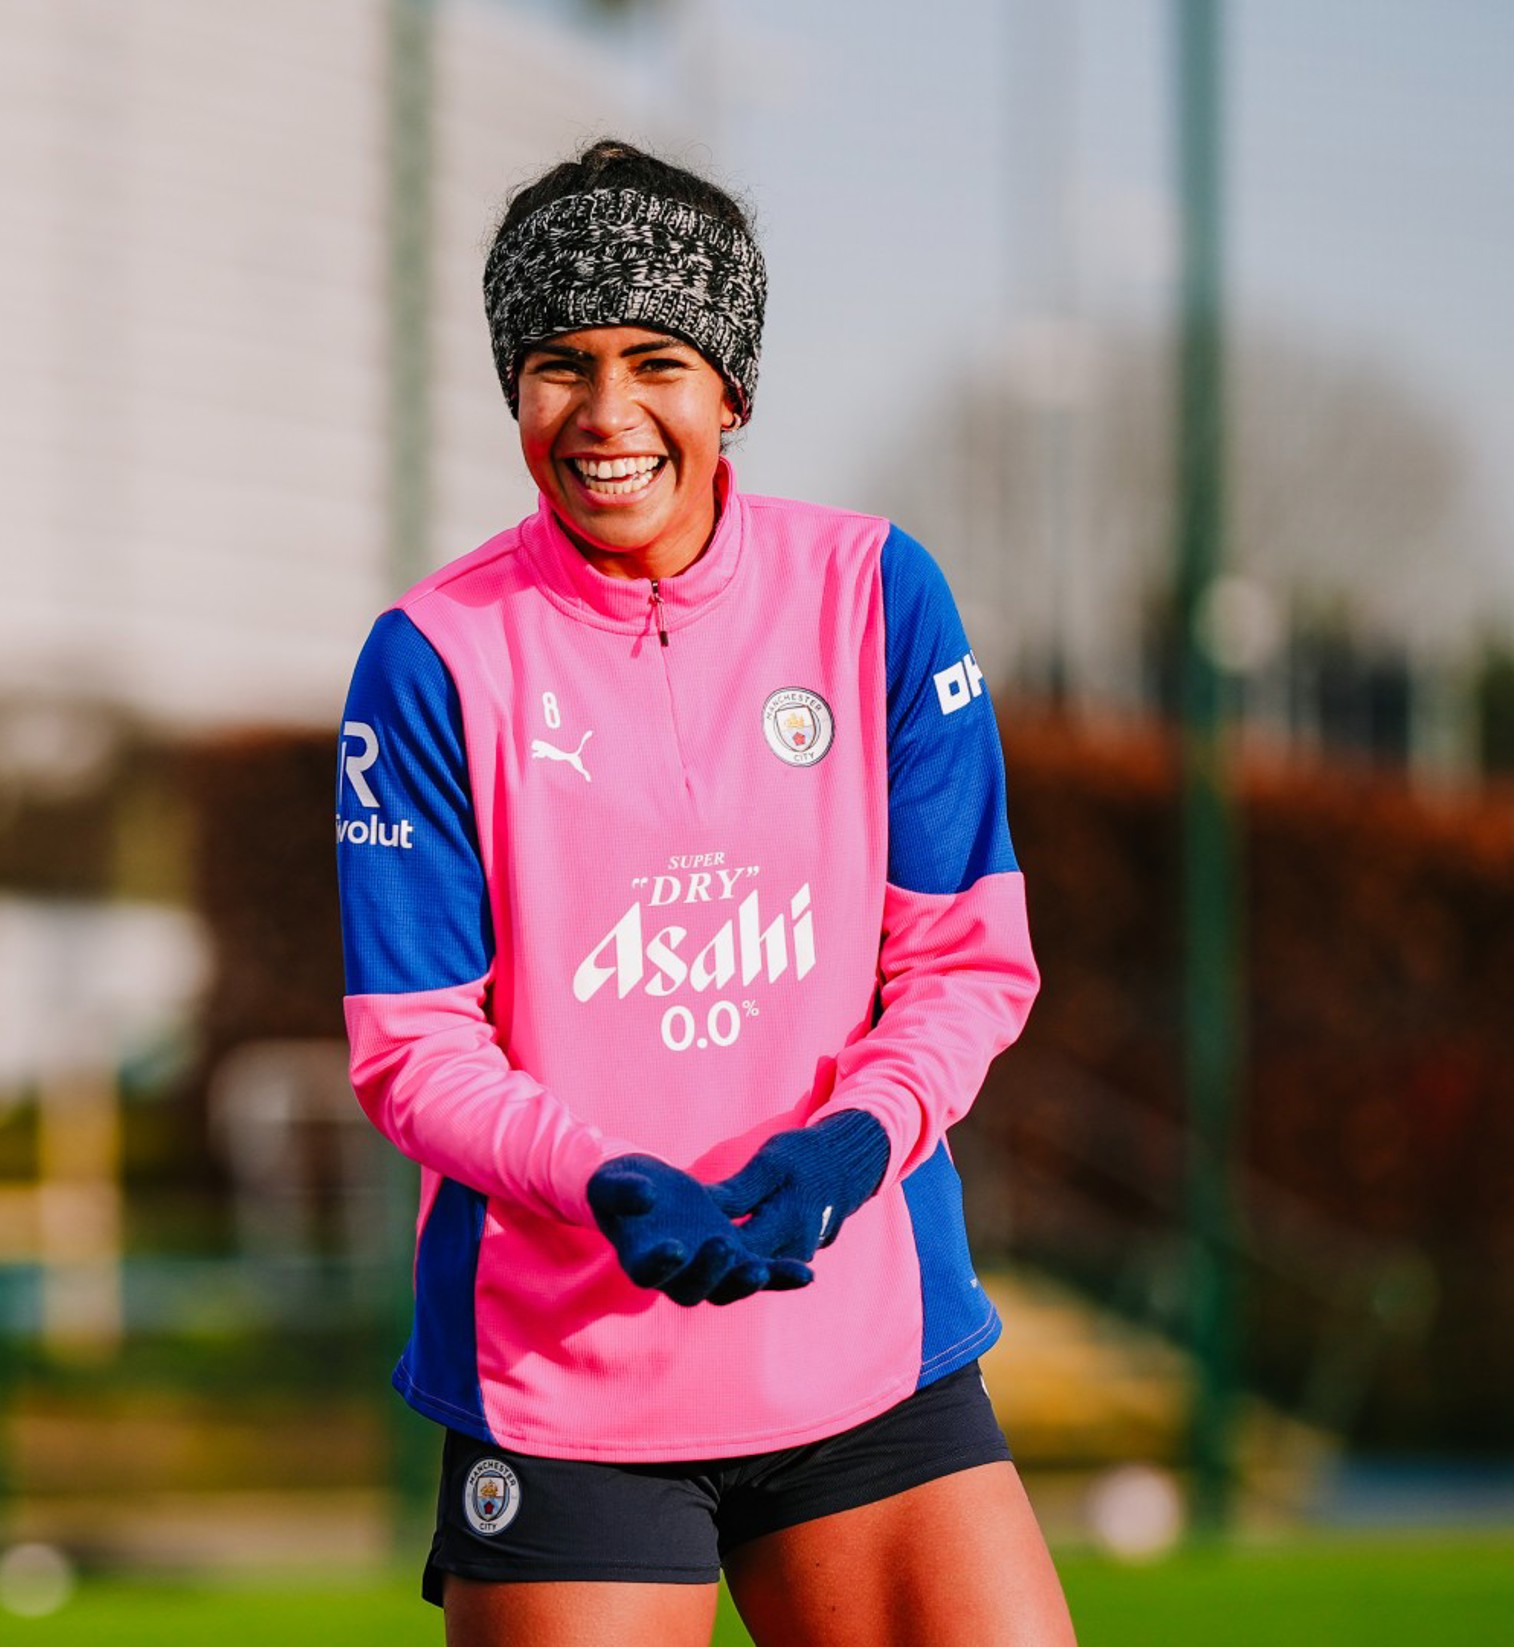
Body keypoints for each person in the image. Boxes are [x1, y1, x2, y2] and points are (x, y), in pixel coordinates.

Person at [335, 139, 1077, 1646]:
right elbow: (416, 1049)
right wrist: (605, 1181)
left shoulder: (875, 593)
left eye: (656, 361)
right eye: (558, 365)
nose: (607, 417)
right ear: (513, 389)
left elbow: (966, 967)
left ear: (731, 387)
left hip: (867, 1355)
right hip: (566, 1380)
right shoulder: (431, 654)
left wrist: (854, 1147)